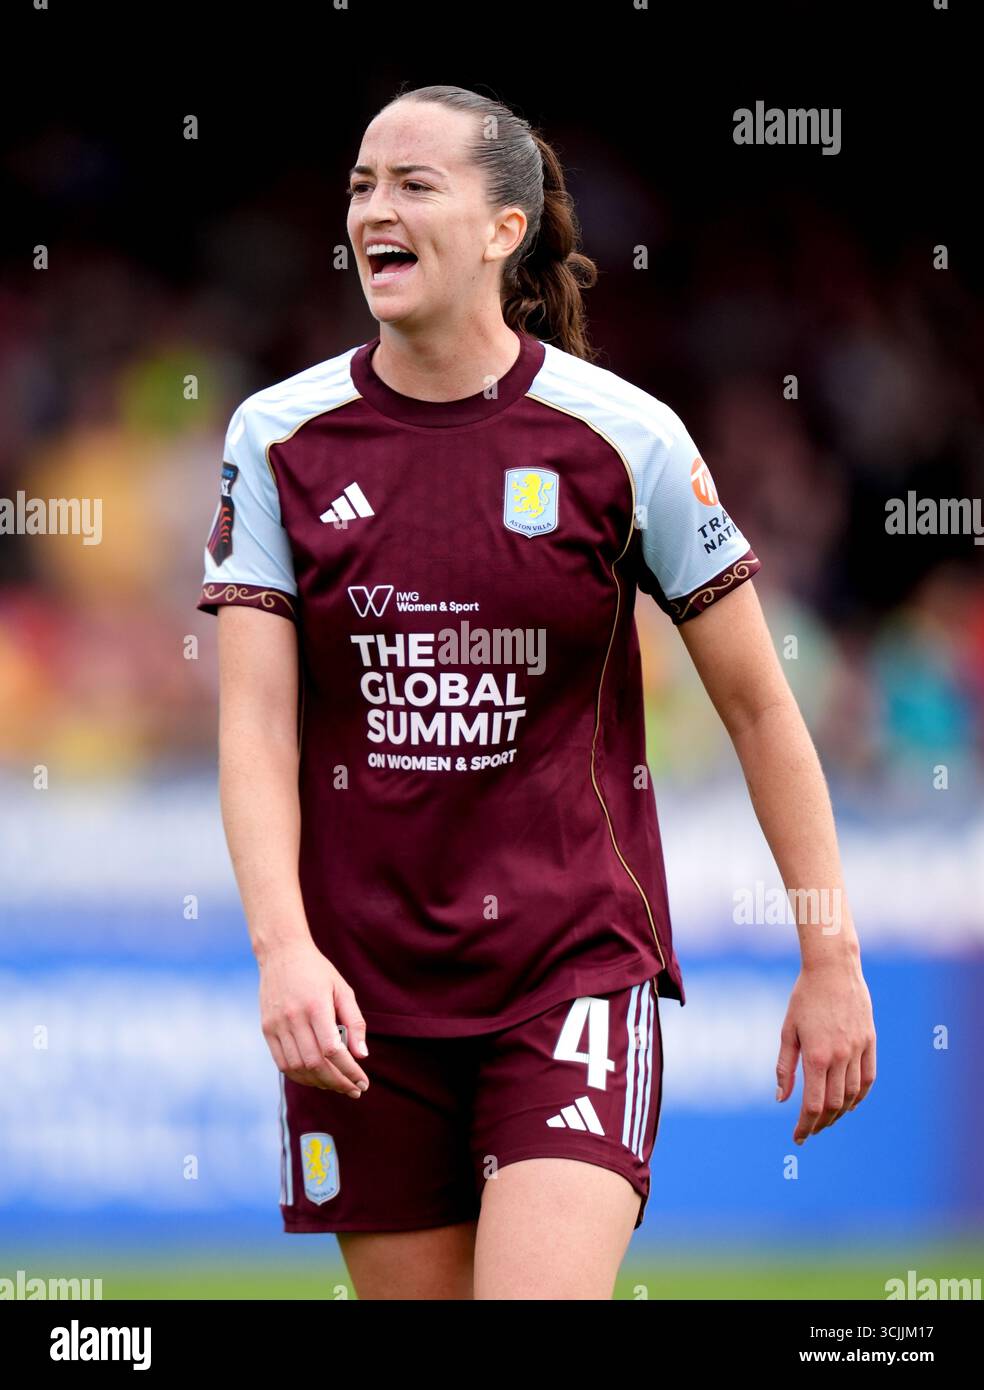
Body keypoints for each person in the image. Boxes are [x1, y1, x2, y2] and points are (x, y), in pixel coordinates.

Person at [196, 83, 876, 1300]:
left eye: (414, 184)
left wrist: (832, 959)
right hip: (361, 999)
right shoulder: (277, 435)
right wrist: (282, 952)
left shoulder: (626, 438)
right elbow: (252, 721)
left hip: (570, 968)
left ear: (507, 228)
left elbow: (764, 710)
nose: (374, 211)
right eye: (360, 186)